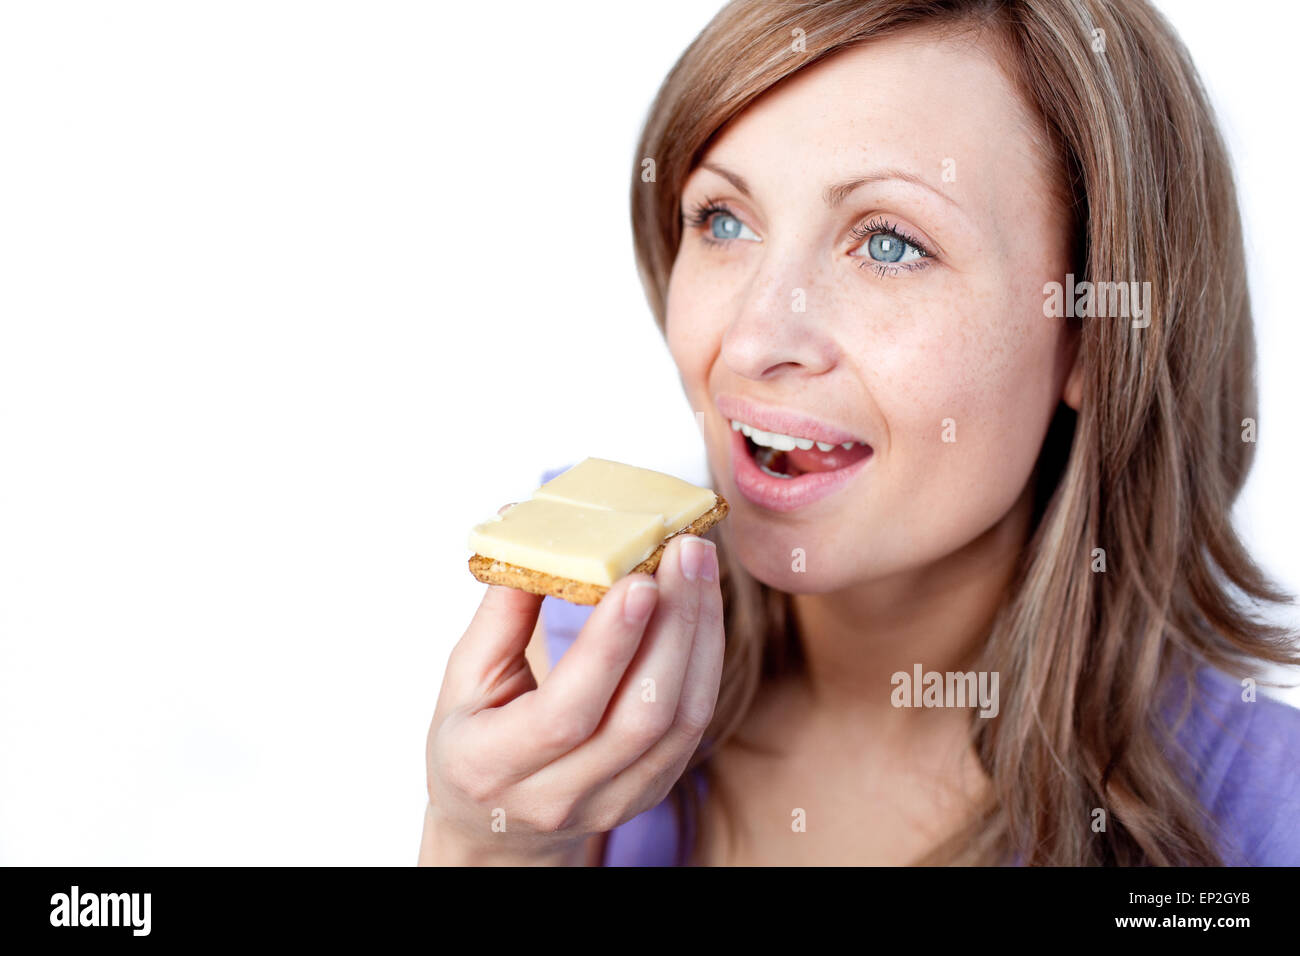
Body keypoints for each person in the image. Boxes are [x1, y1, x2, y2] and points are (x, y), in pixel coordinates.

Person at [420, 0, 1300, 866]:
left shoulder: (1267, 814)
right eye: (724, 220)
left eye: (889, 245)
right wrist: (487, 845)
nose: (755, 340)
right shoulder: (575, 642)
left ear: (1093, 329)